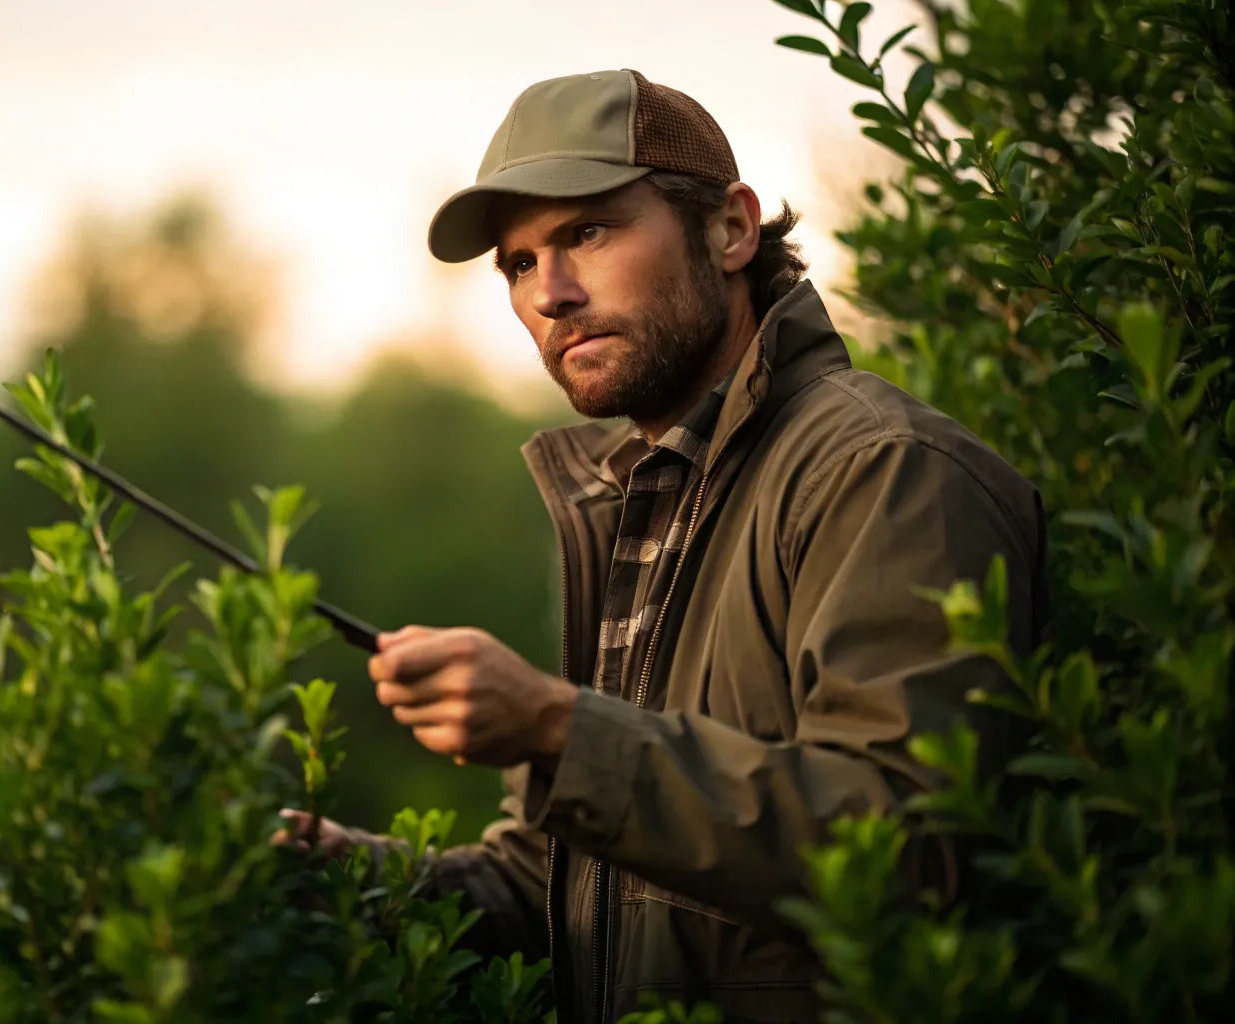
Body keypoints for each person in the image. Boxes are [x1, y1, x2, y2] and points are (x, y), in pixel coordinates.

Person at [278, 70, 1048, 1022]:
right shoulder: (632, 498)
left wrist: (558, 727)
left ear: (730, 229)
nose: (551, 294)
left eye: (588, 233)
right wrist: (341, 874)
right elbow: (562, 892)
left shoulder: (883, 472)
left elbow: (904, 851)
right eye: (518, 265)